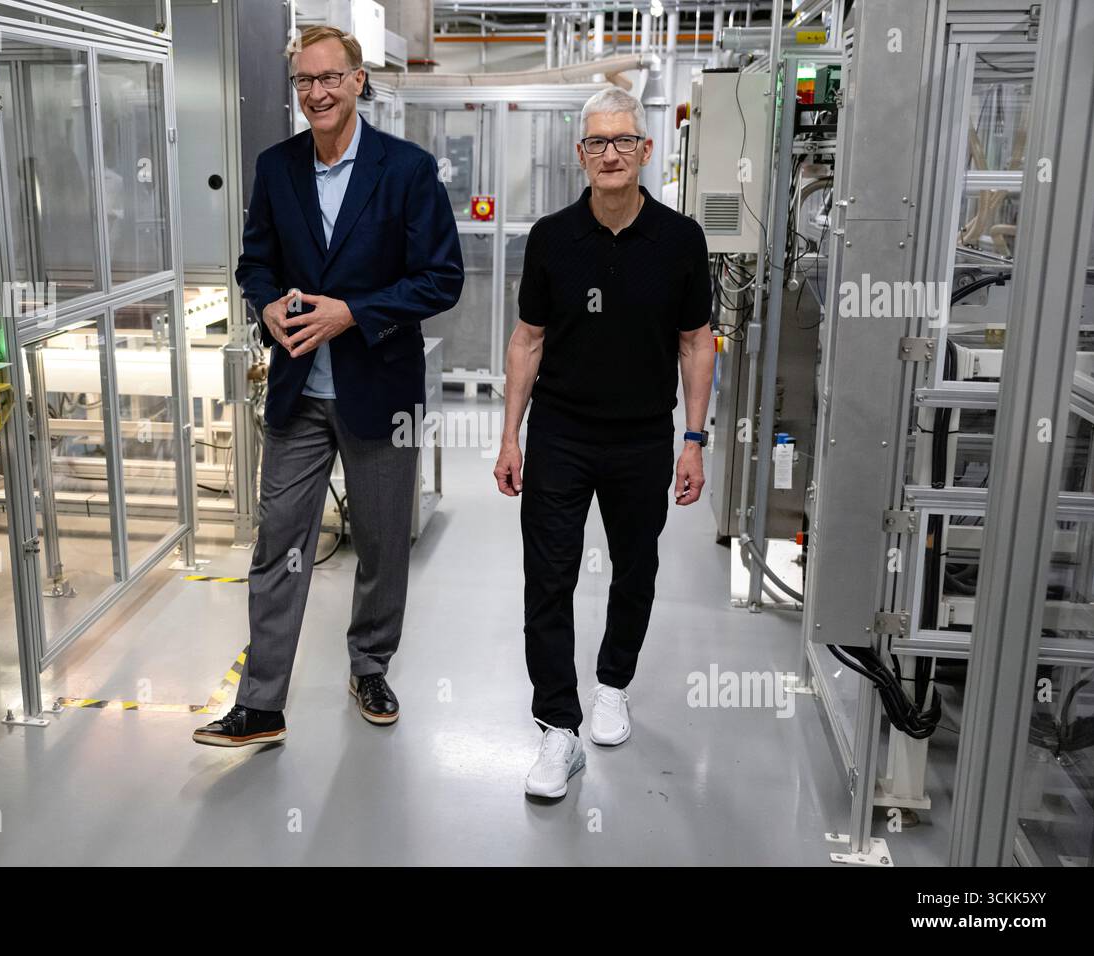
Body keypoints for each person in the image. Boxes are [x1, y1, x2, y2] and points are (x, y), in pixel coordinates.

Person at [193, 25, 463, 747]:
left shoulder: (408, 170)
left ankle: (369, 664)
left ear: (357, 80)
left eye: (329, 79)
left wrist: (356, 313)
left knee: (380, 544)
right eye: (304, 82)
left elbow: (443, 278)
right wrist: (267, 303)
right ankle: (261, 704)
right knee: (278, 543)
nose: (316, 93)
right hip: (298, 393)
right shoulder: (276, 167)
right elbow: (255, 263)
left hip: (379, 390)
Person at [493, 88, 715, 797]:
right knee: (548, 577)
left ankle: (613, 683)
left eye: (623, 141)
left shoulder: (681, 239)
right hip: (560, 431)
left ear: (647, 151)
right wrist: (510, 436)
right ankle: (558, 730)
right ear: (581, 154)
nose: (611, 153)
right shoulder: (554, 238)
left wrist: (694, 439)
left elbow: (696, 341)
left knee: (635, 567)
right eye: (597, 143)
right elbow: (528, 340)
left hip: (642, 435)